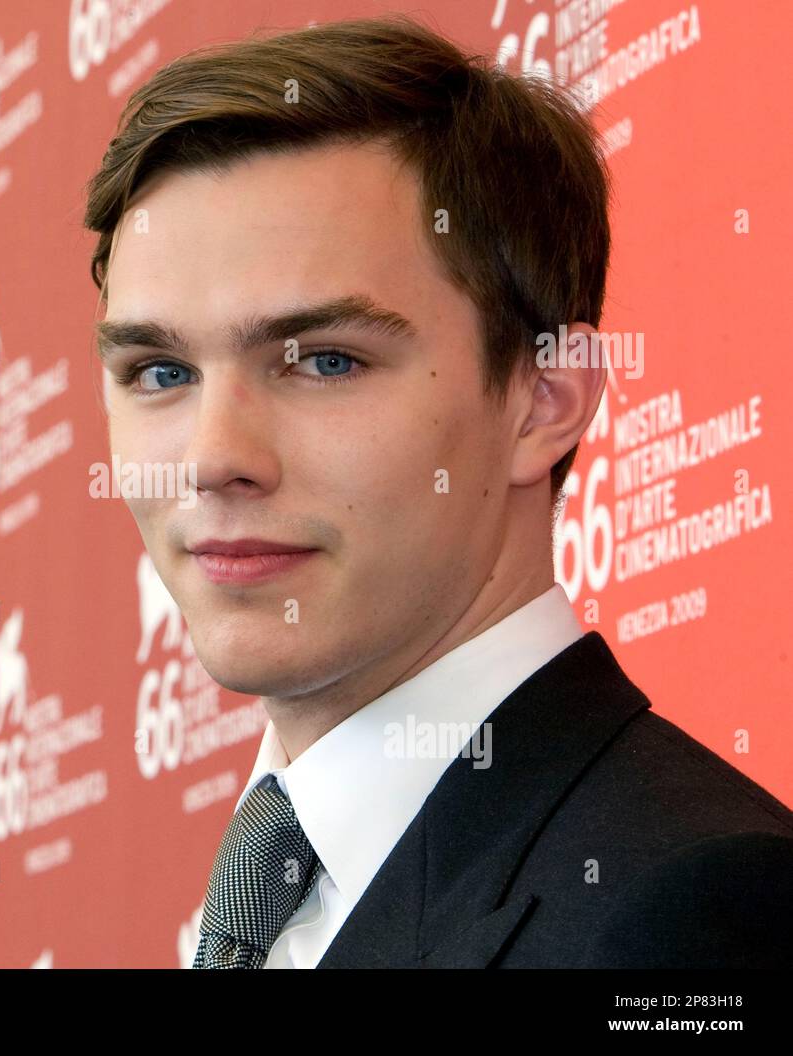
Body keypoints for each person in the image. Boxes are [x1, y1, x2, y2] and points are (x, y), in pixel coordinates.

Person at [82, 14, 793, 968]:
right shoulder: (273, 890)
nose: (213, 457)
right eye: (161, 372)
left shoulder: (695, 915)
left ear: (544, 400)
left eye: (324, 361)